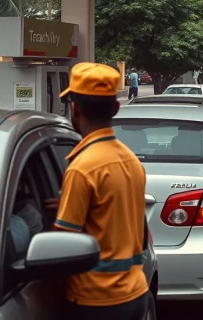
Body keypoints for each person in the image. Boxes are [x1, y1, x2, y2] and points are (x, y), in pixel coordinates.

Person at [44, 62, 149, 320]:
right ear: (115, 108)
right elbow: (117, 216)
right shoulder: (130, 161)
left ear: (74, 108)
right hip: (135, 292)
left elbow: (62, 247)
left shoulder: (83, 168)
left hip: (97, 301)